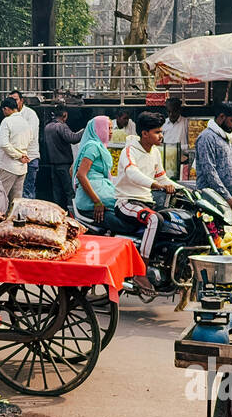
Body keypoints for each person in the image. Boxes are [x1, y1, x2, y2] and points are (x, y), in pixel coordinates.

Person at [113, 111, 178, 290]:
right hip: (127, 202)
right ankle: (140, 271)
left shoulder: (155, 152)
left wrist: (185, 190)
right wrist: (155, 185)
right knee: (154, 219)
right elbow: (132, 173)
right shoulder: (129, 151)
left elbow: (163, 177)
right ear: (144, 133)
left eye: (161, 132)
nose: (161, 136)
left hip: (146, 202)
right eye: (157, 132)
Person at [195, 101, 232, 205]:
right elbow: (209, 171)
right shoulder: (207, 138)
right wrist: (226, 196)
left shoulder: (228, 137)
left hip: (229, 198)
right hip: (211, 200)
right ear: (221, 117)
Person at [74, 115, 117, 222]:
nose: (110, 132)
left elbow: (72, 170)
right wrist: (96, 201)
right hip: (93, 199)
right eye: (107, 128)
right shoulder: (93, 147)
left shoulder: (99, 146)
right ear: (98, 129)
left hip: (99, 191)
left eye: (111, 128)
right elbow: (80, 175)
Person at [42, 105, 83, 211]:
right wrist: (85, 130)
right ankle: (71, 214)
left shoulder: (48, 127)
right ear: (64, 115)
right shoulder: (61, 126)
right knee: (69, 191)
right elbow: (73, 138)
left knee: (57, 192)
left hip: (52, 164)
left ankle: (58, 213)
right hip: (64, 164)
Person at [0, 96, 33, 205]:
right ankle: (15, 221)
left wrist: (18, 156)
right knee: (16, 203)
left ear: (6, 109)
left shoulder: (7, 121)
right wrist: (22, 155)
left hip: (8, 166)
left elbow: (4, 143)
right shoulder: (25, 122)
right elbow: (30, 139)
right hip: (22, 167)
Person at [9, 91, 41, 199]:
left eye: (15, 99)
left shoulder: (30, 114)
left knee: (27, 191)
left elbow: (29, 135)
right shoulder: (10, 116)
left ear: (22, 101)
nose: (13, 102)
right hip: (17, 159)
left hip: (29, 157)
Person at [161, 96, 188, 180]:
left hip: (182, 160)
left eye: (174, 111)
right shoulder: (163, 123)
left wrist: (179, 149)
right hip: (166, 161)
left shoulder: (186, 123)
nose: (171, 114)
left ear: (179, 110)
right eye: (169, 112)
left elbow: (191, 145)